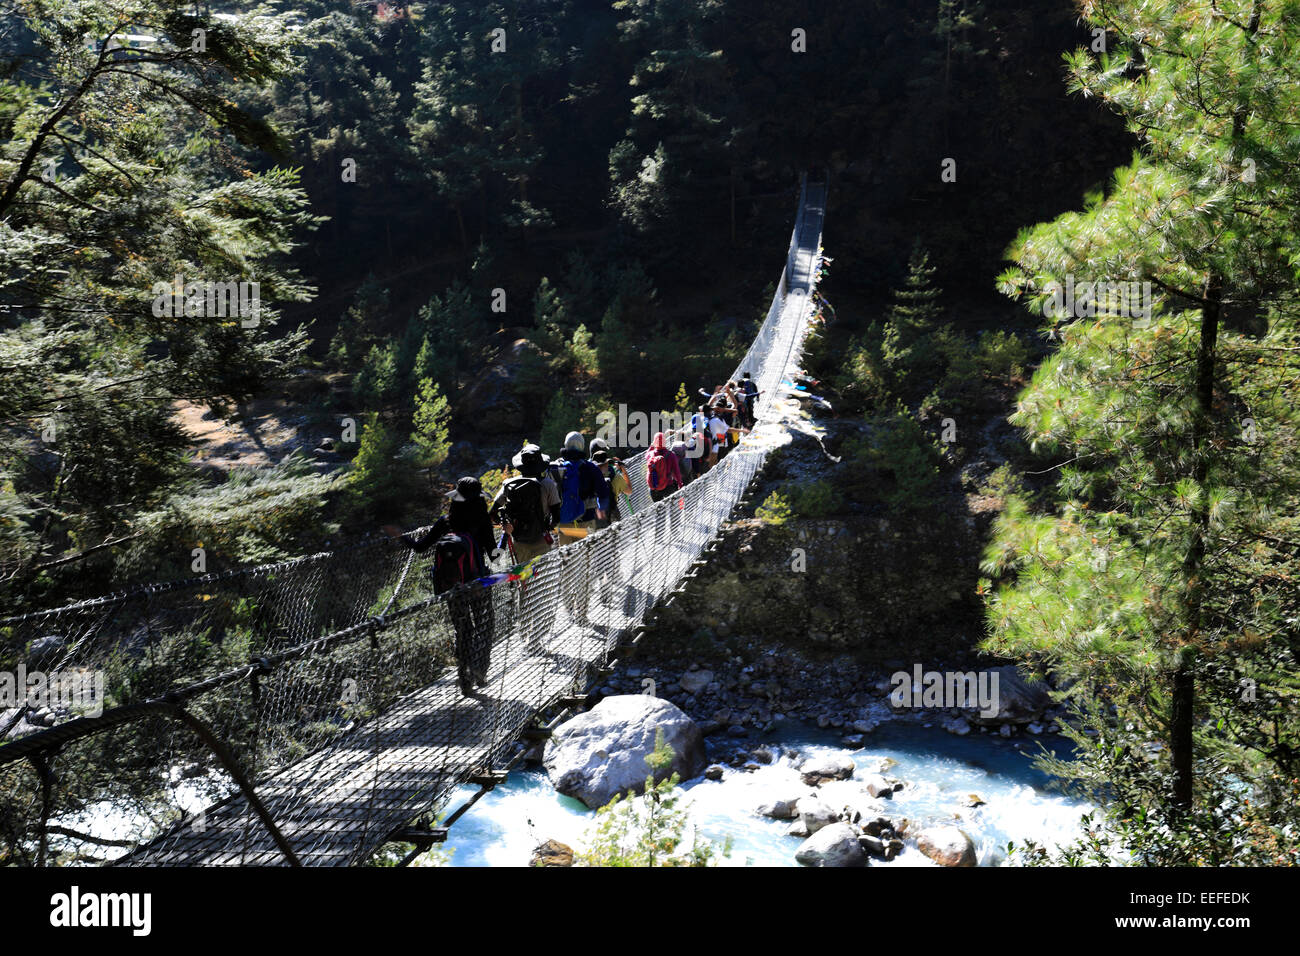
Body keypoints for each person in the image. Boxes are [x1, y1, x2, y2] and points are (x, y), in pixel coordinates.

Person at [384, 477, 496, 695]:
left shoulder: (446, 522)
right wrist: (504, 542)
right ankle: (480, 672)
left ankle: (464, 679)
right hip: (478, 583)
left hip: (453, 588)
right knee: (485, 624)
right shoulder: (481, 521)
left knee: (463, 630)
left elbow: (419, 548)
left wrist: (401, 536)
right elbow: (493, 555)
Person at [491, 444, 558, 565]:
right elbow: (557, 516)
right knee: (544, 579)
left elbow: (492, 513)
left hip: (518, 540)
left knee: (525, 578)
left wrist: (505, 525)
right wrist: (547, 527)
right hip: (541, 539)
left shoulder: (508, 484)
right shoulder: (548, 484)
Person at [645, 431, 683, 502]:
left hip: (654, 489)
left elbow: (646, 454)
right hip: (668, 487)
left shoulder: (650, 455)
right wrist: (680, 484)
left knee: (660, 511)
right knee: (673, 509)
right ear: (665, 442)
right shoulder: (671, 455)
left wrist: (652, 445)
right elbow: (677, 472)